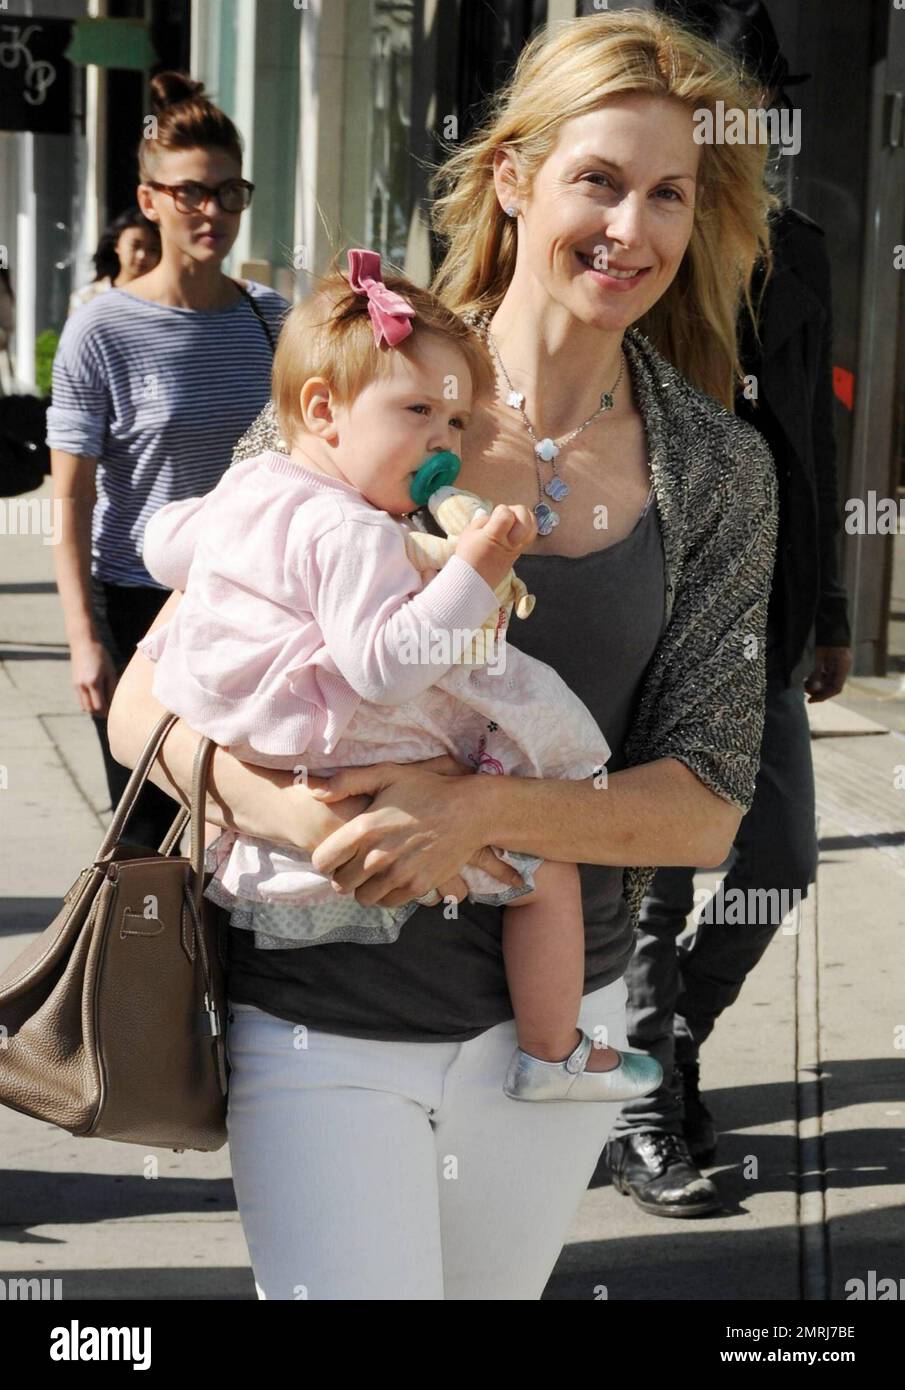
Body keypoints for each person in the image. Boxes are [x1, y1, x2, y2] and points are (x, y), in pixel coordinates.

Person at [108, 10, 779, 1299]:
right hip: (317, 1011)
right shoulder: (375, 374)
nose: (628, 230)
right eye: (597, 180)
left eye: (666, 196)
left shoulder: (718, 470)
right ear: (516, 178)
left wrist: (466, 809)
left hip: (550, 1035)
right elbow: (153, 692)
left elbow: (704, 807)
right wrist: (299, 816)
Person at [134, 246, 664, 1103]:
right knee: (547, 865)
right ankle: (555, 1051)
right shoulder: (351, 532)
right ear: (323, 410)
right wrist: (474, 571)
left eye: (456, 424)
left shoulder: (249, 487)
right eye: (417, 411)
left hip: (268, 734)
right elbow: (385, 666)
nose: (441, 442)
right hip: (359, 726)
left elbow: (162, 548)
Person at [605, 0, 853, 1218]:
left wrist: (833, 603)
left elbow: (815, 431)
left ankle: (669, 1041)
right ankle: (639, 1101)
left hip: (769, 601)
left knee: (779, 854)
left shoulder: (797, 247)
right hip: (655, 595)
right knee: (654, 868)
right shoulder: (639, 242)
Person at [47, 72, 289, 850]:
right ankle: (134, 976)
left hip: (257, 610)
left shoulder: (273, 320)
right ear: (150, 200)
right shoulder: (102, 331)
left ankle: (231, 977)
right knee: (146, 837)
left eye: (227, 191)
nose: (211, 211)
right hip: (142, 609)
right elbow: (71, 504)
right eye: (190, 193)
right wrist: (85, 639)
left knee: (247, 835)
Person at [66, 206, 161, 317]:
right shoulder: (88, 297)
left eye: (152, 249)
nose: (142, 256)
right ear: (117, 245)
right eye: (135, 245)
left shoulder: (164, 299)